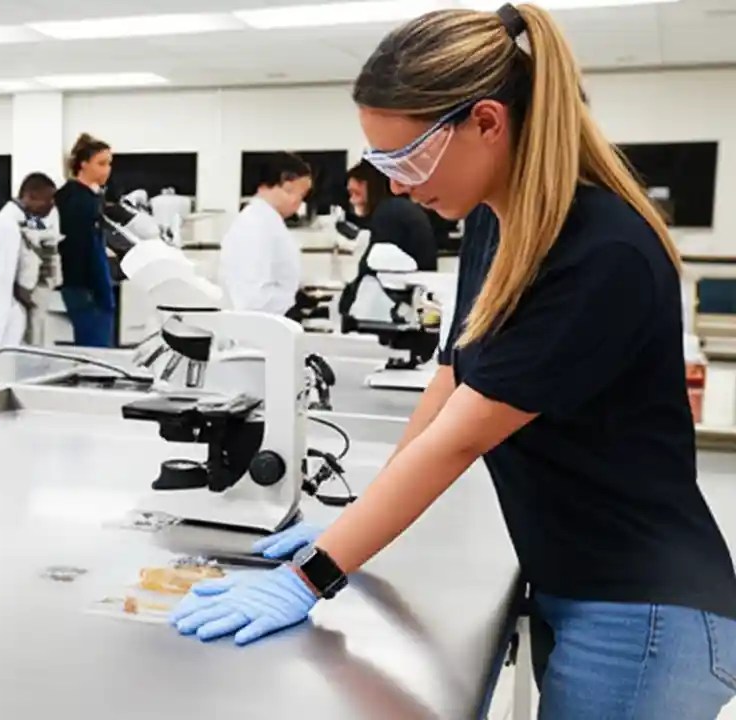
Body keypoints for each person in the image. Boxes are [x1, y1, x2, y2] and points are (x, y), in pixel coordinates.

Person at [170, 5, 736, 718]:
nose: (398, 187)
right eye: (383, 165)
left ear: (487, 123)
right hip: (578, 581)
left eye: (406, 160)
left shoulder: (599, 252)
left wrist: (309, 577)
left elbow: (460, 439)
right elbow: (453, 378)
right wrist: (355, 523)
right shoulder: (494, 225)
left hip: (643, 610)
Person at [218, 152, 312, 315]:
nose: (299, 203)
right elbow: (252, 296)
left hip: (268, 318)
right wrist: (292, 305)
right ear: (287, 187)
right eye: (301, 195)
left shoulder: (265, 219)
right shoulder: (255, 224)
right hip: (260, 322)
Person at [0, 172, 57, 347]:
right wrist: (29, 296)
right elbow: (5, 279)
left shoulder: (17, 224)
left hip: (4, 317)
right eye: (48, 200)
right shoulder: (4, 227)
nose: (51, 206)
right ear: (30, 196)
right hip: (0, 322)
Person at [56, 133, 116, 348]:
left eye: (109, 164)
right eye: (101, 164)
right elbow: (81, 246)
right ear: (83, 164)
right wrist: (98, 289)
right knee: (95, 347)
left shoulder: (89, 197)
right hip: (85, 284)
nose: (107, 170)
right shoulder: (77, 199)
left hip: (85, 282)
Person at [345, 160, 437, 271]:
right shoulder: (398, 208)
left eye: (356, 193)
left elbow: (374, 266)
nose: (352, 200)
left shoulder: (388, 214)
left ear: (368, 185)